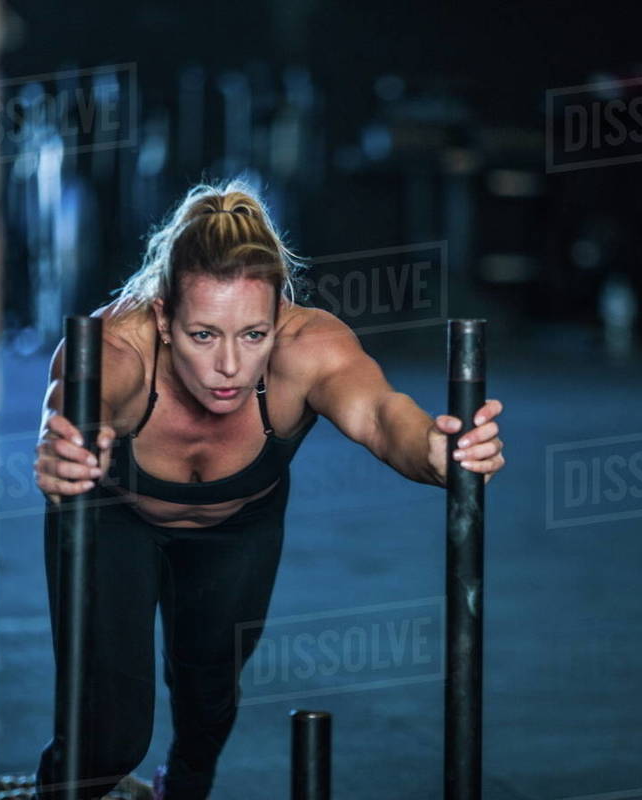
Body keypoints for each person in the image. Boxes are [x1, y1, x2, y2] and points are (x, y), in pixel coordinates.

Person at [33, 179, 505, 799]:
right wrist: (66, 444)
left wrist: (436, 449)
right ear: (164, 319)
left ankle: (185, 786)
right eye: (204, 335)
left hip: (238, 529)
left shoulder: (310, 346)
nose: (229, 367)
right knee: (107, 740)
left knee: (208, 704)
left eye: (252, 334)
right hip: (114, 519)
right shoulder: (118, 347)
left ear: (278, 315)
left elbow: (380, 414)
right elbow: (76, 402)